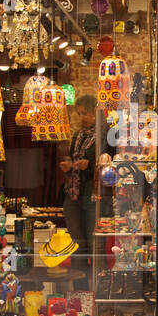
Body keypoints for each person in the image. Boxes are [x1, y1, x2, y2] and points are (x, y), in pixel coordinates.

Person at [59, 94, 98, 251]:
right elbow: (72, 158)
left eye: (85, 113)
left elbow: (107, 163)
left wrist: (89, 166)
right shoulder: (77, 135)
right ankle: (79, 275)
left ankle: (94, 275)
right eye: (80, 113)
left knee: (93, 242)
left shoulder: (104, 135)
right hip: (73, 194)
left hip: (91, 194)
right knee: (76, 243)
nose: (82, 117)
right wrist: (68, 166)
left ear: (95, 112)